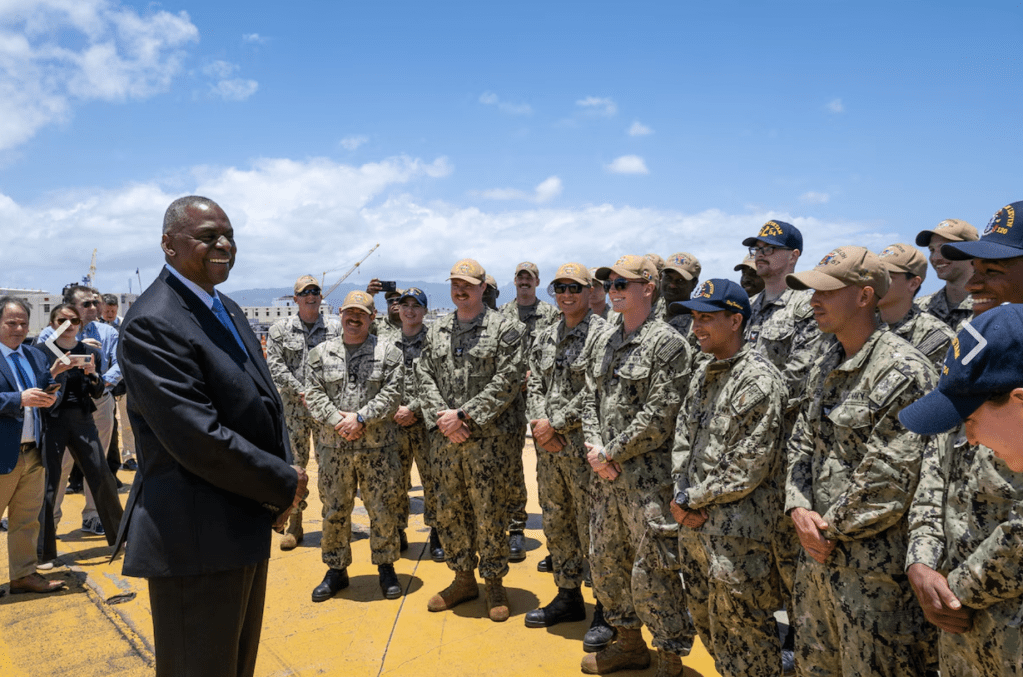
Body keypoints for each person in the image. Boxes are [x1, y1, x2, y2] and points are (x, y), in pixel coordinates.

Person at [115, 196, 306, 677]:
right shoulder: (153, 321)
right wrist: (282, 483)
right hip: (194, 536)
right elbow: (197, 436)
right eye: (206, 236)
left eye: (229, 235)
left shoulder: (228, 308)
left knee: (236, 664)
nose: (223, 245)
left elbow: (265, 401)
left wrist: (283, 478)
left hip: (240, 519)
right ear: (168, 245)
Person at [784, 246, 936, 677]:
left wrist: (822, 529)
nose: (813, 299)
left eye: (826, 291)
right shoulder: (825, 361)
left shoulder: (905, 371)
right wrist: (797, 507)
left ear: (865, 296)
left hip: (873, 577)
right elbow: (801, 443)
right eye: (812, 290)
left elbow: (890, 480)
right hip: (816, 560)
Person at [902, 201, 1023, 677]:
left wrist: (959, 587)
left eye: (992, 270)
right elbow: (939, 466)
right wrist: (922, 563)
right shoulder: (990, 341)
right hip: (960, 621)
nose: (973, 284)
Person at [581, 255, 695, 677]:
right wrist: (596, 448)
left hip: (646, 482)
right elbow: (590, 397)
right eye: (610, 284)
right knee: (606, 562)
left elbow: (660, 415)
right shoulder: (606, 337)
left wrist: (609, 452)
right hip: (605, 479)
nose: (613, 290)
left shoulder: (668, 344)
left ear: (648, 287)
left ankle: (669, 657)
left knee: (655, 571)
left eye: (622, 284)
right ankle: (628, 643)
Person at [669, 279, 786, 677]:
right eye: (694, 318)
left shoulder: (758, 380)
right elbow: (683, 437)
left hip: (738, 537)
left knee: (747, 638)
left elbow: (746, 466)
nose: (695, 327)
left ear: (735, 320)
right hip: (696, 526)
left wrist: (690, 501)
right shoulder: (704, 372)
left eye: (706, 318)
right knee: (710, 628)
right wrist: (680, 493)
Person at [417, 258, 525, 622]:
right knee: (450, 511)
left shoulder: (505, 330)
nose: (460, 289)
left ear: (483, 288)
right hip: (446, 442)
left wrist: (464, 416)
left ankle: (494, 581)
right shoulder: (436, 331)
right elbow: (424, 377)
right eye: (454, 284)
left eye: (467, 284)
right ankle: (463, 578)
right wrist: (445, 419)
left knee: (489, 511)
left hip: (487, 443)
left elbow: (508, 380)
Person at [741, 219, 821, 665]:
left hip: (784, 447)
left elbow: (803, 374)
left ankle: (800, 641)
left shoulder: (805, 308)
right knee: (758, 550)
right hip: (746, 452)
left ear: (793, 256)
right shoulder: (748, 306)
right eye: (757, 246)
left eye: (771, 247)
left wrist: (746, 401)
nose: (761, 253)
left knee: (791, 553)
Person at [524, 263, 611, 640]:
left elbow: (594, 389)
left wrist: (553, 424)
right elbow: (533, 386)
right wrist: (541, 426)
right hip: (549, 453)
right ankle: (568, 594)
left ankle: (607, 608)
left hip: (584, 451)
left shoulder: (604, 336)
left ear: (590, 291)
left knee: (594, 529)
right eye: (560, 288)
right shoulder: (544, 336)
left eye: (574, 288)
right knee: (557, 523)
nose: (567, 294)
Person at [305, 290, 405, 602]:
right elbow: (313, 393)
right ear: (340, 314)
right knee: (334, 510)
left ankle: (386, 567)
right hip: (334, 449)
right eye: (349, 312)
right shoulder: (320, 354)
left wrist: (361, 418)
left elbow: (392, 393)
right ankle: (336, 569)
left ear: (372, 317)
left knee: (382, 509)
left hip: (378, 449)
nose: (354, 317)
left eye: (361, 312)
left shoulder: (389, 353)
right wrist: (339, 420)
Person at [37, 304, 123, 565]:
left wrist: (93, 374)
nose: (69, 323)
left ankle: (120, 537)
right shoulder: (40, 352)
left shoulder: (88, 351)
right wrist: (55, 372)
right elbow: (36, 388)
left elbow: (97, 392)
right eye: (62, 319)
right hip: (53, 421)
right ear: (52, 323)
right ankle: (43, 551)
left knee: (101, 473)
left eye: (74, 319)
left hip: (83, 418)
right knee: (50, 483)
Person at [265, 275, 341, 550]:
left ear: (321, 297)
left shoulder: (335, 329)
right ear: (295, 298)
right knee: (294, 467)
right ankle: (295, 525)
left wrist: (319, 397)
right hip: (293, 410)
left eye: (315, 291)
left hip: (325, 411)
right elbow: (275, 364)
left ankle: (331, 526)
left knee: (330, 466)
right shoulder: (280, 329)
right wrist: (302, 391)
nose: (311, 296)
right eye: (304, 292)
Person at [0, 296, 66, 594]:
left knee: (26, 520)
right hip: (3, 453)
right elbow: (22, 398)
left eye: (23, 323)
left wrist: (52, 396)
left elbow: (44, 392)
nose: (18, 328)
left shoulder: (34, 356)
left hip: (32, 451)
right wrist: (18, 399)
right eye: (11, 322)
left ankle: (23, 575)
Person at [499, 261, 559, 561]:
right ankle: (515, 529)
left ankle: (556, 536)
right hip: (509, 398)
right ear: (515, 281)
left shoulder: (550, 314)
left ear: (536, 282)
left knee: (547, 466)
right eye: (520, 277)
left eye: (530, 278)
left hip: (540, 397)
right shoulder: (502, 315)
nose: (525, 282)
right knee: (510, 464)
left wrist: (534, 375)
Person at [392, 287, 443, 561]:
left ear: (424, 311)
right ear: (397, 309)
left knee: (432, 480)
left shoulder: (433, 341)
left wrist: (412, 408)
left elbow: (437, 381)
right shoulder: (387, 342)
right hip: (394, 423)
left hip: (425, 424)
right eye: (405, 305)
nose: (410, 310)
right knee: (395, 480)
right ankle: (398, 529)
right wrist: (395, 410)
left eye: (416, 305)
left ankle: (436, 531)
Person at [876, 243, 955, 368]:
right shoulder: (860, 325)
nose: (876, 283)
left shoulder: (936, 337)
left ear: (913, 284)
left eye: (887, 277)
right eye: (875, 275)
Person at [914, 219, 978, 331]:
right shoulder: (918, 308)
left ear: (971, 251)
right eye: (932, 250)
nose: (935, 258)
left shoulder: (994, 308)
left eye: (944, 248)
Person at [659, 252, 701, 337]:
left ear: (694, 284)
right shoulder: (646, 310)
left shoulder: (698, 324)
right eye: (668, 278)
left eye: (680, 281)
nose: (672, 285)